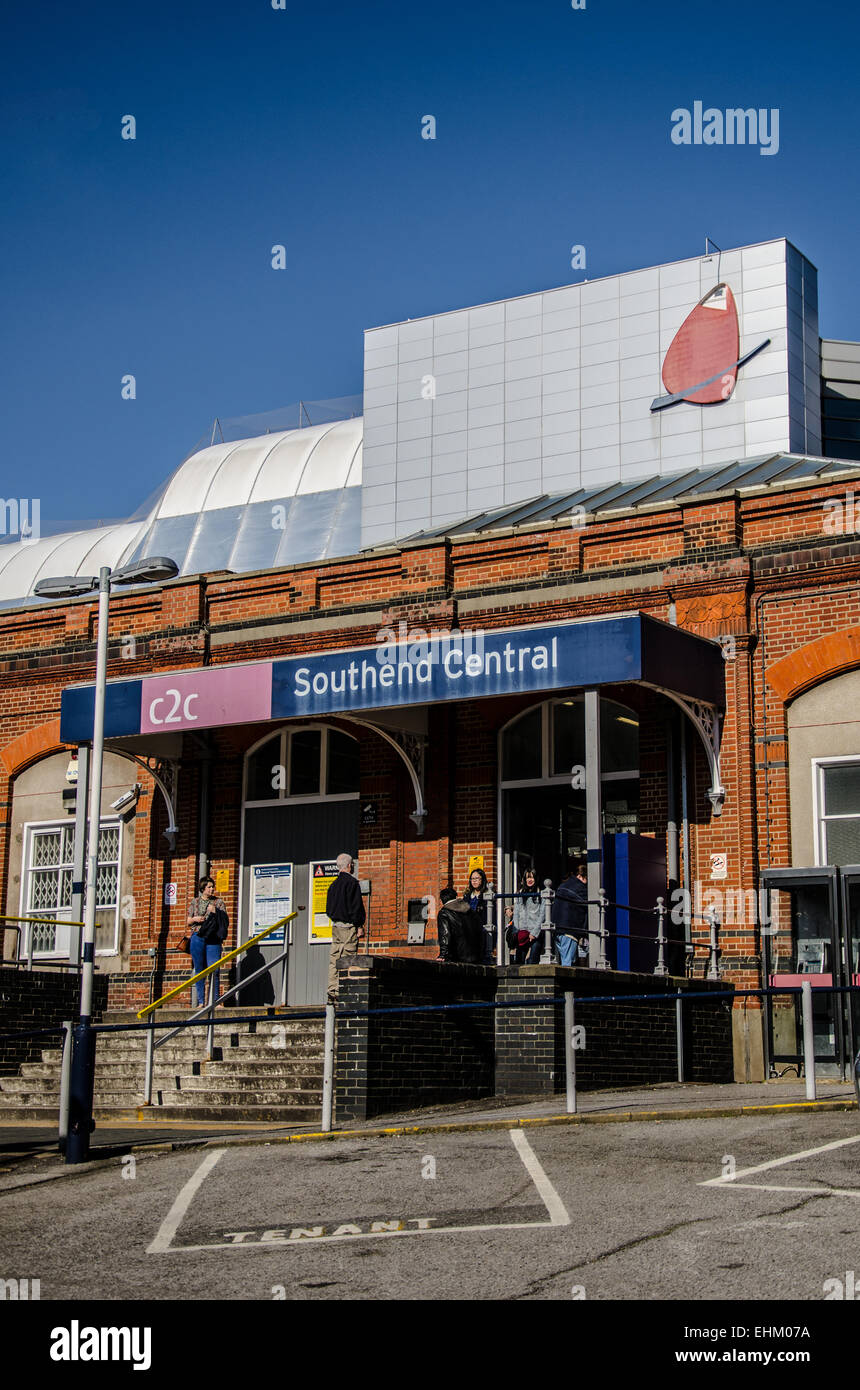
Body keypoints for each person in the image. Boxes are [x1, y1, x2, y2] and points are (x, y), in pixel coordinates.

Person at [326, 852, 365, 1004]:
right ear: (349, 865)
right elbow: (356, 908)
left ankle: (332, 991)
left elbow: (329, 909)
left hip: (335, 926)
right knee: (348, 958)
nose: (353, 867)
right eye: (353, 865)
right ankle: (346, 990)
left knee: (334, 958)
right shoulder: (352, 883)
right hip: (348, 927)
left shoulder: (333, 885)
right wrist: (359, 925)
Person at [187, 875, 229, 1007]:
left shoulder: (219, 902)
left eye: (212, 887)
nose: (212, 889)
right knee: (199, 969)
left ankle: (216, 1000)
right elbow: (188, 921)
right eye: (209, 887)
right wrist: (195, 919)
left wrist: (215, 911)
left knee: (214, 969)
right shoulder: (195, 902)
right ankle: (201, 1002)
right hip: (198, 936)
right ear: (203, 888)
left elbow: (225, 920)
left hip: (213, 939)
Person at [552, 861, 588, 967]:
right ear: (582, 876)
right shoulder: (581, 888)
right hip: (569, 929)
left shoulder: (563, 885)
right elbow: (588, 908)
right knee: (567, 963)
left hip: (556, 928)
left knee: (565, 959)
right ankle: (565, 984)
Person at [436, 887, 485, 964]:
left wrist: (443, 955)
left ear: (442, 900)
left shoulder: (444, 913)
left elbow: (445, 935)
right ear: (455, 897)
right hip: (476, 957)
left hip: (457, 957)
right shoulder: (470, 910)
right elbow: (480, 931)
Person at [514, 868, 545, 964]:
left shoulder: (541, 894)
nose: (529, 880)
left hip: (535, 933)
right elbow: (516, 912)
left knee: (533, 961)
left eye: (532, 877)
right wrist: (517, 929)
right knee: (518, 961)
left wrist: (534, 933)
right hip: (522, 932)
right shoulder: (520, 893)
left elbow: (542, 915)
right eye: (527, 878)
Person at [463, 867, 492, 963]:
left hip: (481, 927)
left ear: (482, 880)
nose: (474, 881)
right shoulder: (467, 896)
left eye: (477, 878)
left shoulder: (486, 895)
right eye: (472, 879)